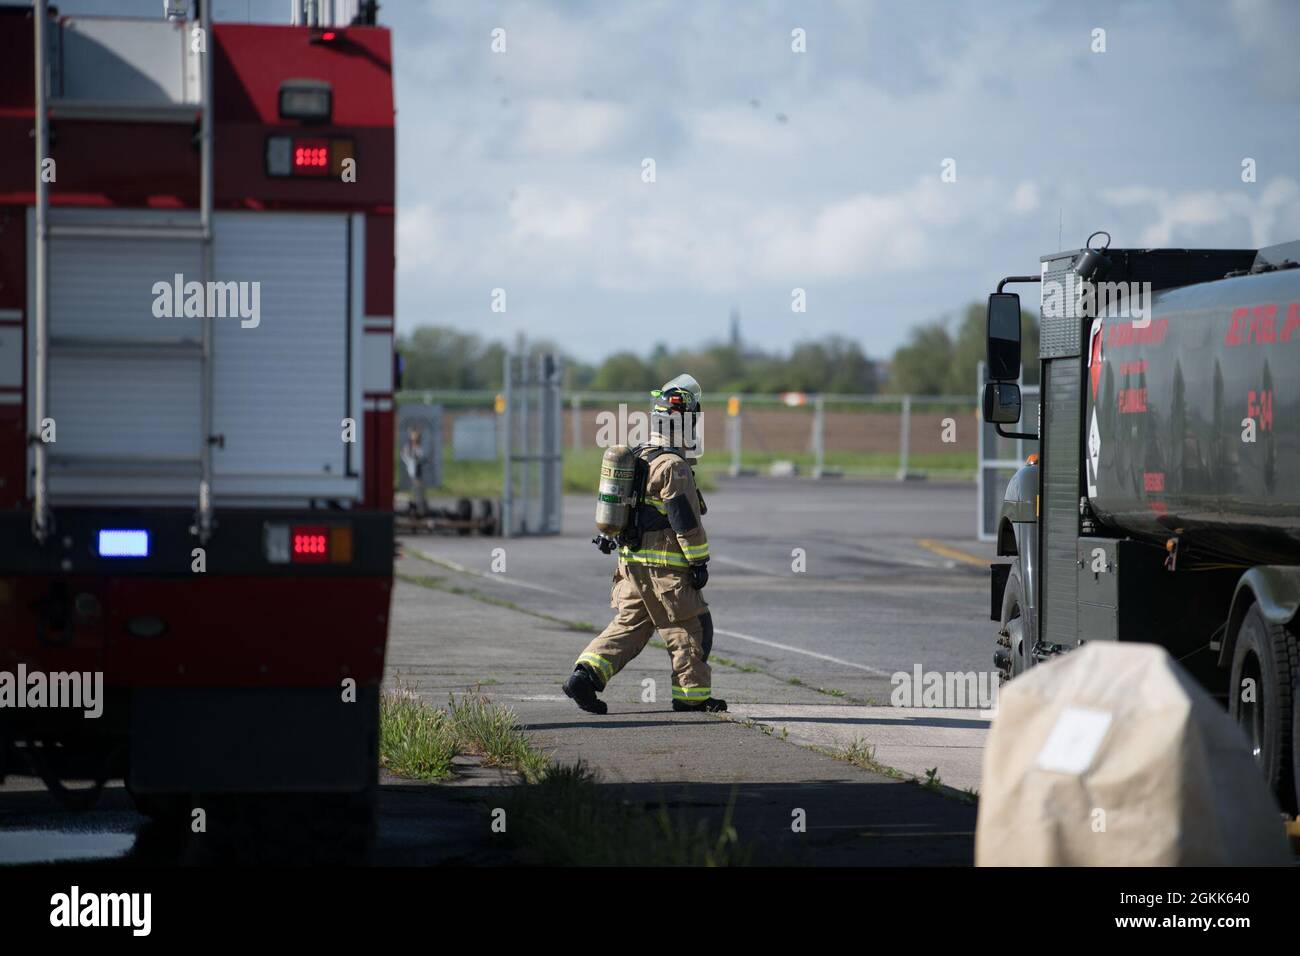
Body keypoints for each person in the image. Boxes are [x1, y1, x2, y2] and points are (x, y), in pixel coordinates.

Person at [563, 374, 725, 715]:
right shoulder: (674, 466)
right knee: (691, 625)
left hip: (632, 565)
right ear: (683, 424)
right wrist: (699, 563)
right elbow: (686, 523)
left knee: (630, 627)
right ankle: (691, 697)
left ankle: (585, 675)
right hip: (665, 568)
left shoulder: (641, 457)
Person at [400, 425, 428, 518]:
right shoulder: (408, 447)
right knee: (414, 490)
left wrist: (417, 459)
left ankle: (421, 508)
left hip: (417, 472)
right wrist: (410, 459)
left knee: (419, 490)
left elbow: (423, 456)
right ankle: (415, 507)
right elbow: (403, 455)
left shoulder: (420, 447)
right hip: (410, 471)